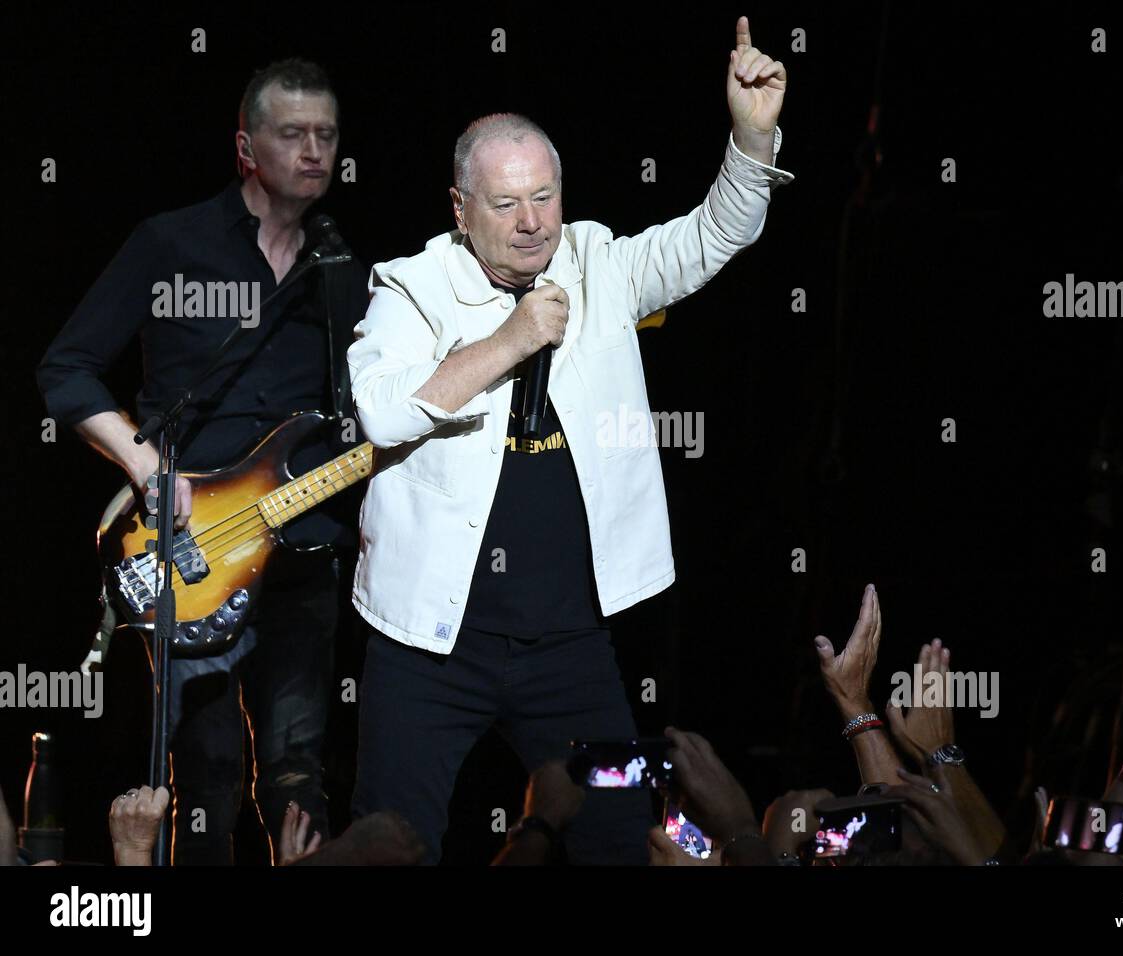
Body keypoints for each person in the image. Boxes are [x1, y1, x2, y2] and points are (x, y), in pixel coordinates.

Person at [348, 16, 793, 863]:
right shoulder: (410, 288)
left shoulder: (598, 262)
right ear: (459, 208)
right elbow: (383, 413)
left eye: (544, 197)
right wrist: (512, 338)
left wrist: (750, 135)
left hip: (570, 646)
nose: (531, 222)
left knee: (619, 843)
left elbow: (714, 235)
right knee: (390, 844)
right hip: (429, 645)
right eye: (505, 202)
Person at [36, 58, 367, 864]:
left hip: (303, 551)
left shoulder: (344, 275)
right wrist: (146, 466)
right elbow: (66, 367)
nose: (315, 150)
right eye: (293, 134)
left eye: (326, 135)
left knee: (297, 772)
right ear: (247, 148)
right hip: (194, 557)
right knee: (206, 778)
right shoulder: (171, 242)